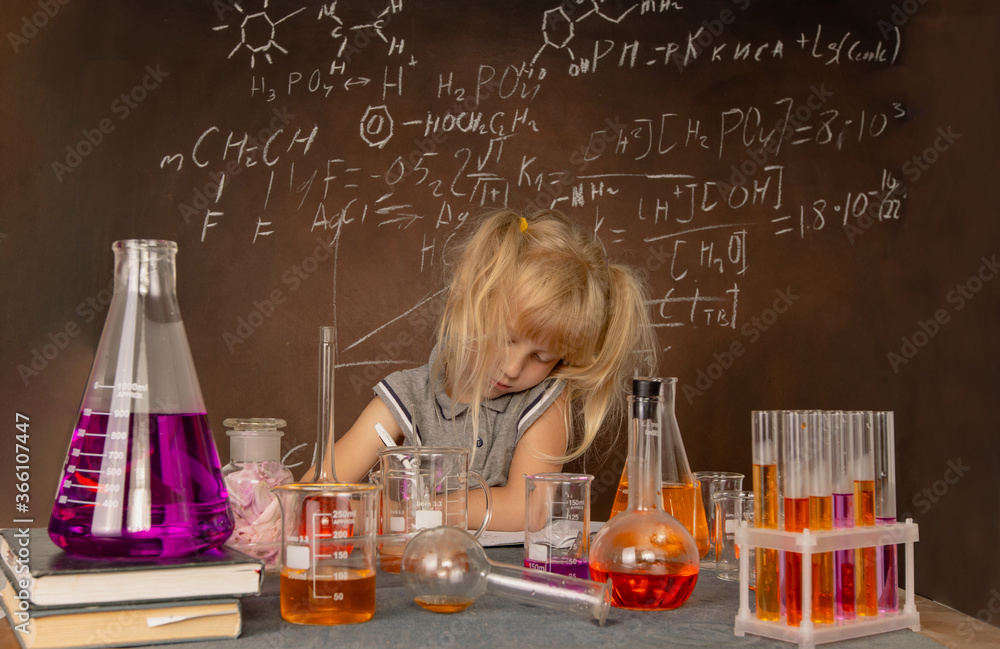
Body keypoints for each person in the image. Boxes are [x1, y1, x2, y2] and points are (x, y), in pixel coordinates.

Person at [325, 208, 659, 530]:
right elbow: (319, 490)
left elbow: (527, 508)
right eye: (504, 339)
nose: (512, 369)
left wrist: (395, 512)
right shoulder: (407, 395)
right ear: (469, 302)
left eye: (541, 357)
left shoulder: (546, 398)